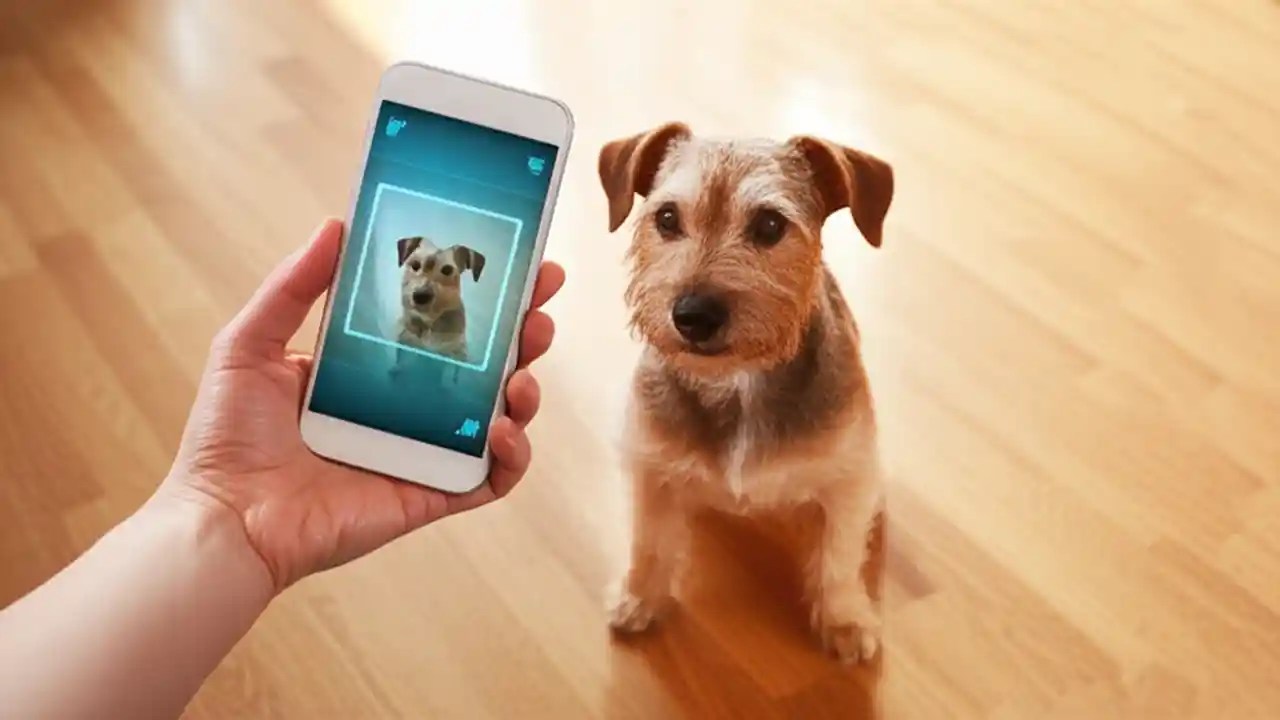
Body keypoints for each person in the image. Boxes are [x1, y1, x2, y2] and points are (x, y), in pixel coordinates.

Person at [0, 219, 565, 719]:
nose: (423, 283)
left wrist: (222, 515)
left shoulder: (456, 324)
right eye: (416, 266)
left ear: (464, 274)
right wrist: (222, 508)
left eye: (442, 273)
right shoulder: (407, 310)